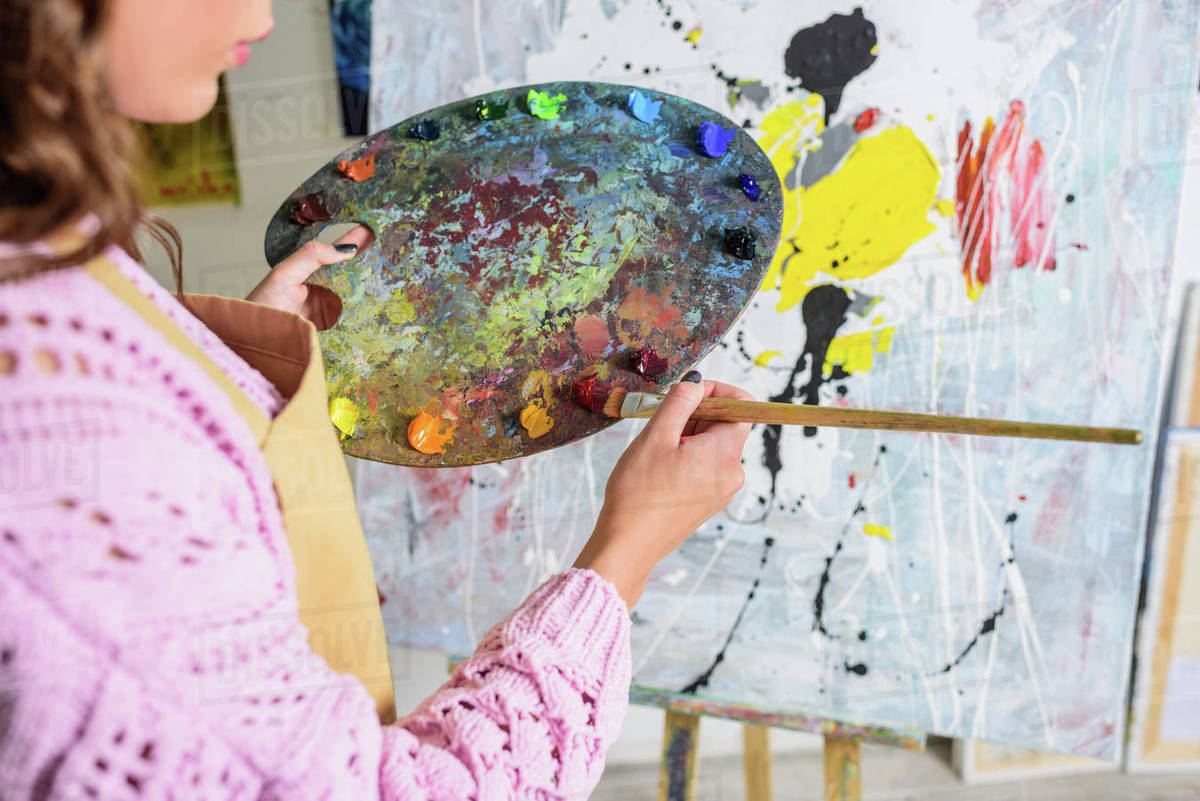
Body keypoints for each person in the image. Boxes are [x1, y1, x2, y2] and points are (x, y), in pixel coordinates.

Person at [0, 1, 753, 798]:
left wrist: (228, 375)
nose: (263, 9)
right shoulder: (48, 403)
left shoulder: (42, 275)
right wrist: (626, 551)